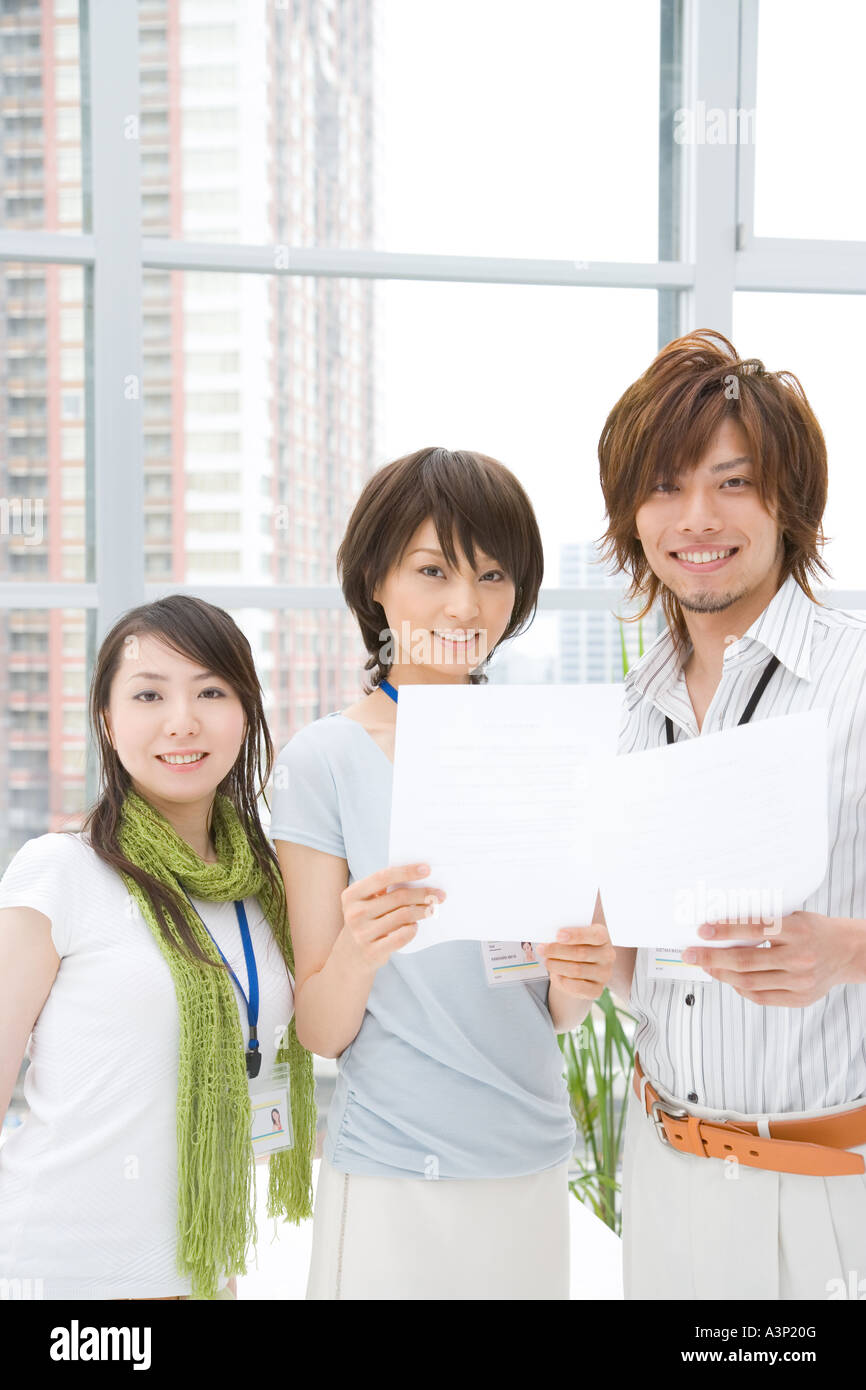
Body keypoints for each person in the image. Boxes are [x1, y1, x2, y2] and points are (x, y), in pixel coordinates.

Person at [270, 446, 615, 1300]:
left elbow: (556, 1009)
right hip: (393, 1169)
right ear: (375, 581)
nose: (466, 605)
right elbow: (318, 1028)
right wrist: (359, 948)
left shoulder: (548, 749)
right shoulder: (327, 759)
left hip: (529, 1160)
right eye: (433, 570)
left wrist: (582, 976)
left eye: (494, 575)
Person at [599, 328, 866, 1300]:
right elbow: (644, 969)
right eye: (663, 486)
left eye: (731, 483)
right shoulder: (635, 710)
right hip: (665, 1178)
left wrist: (848, 952)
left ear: (786, 503)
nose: (694, 518)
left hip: (822, 1190)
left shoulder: (856, 677)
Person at [0, 596, 315, 1300]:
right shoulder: (61, 870)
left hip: (203, 1271)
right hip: (63, 1276)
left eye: (211, 691)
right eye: (149, 694)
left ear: (247, 714)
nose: (182, 721)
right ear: (109, 723)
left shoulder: (264, 886)